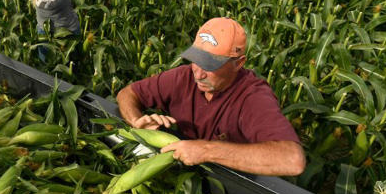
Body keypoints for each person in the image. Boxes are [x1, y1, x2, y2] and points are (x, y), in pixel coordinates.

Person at [117, 17, 306, 177]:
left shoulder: (252, 97)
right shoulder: (183, 77)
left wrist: (206, 151)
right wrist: (137, 122)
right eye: (196, 61)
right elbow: (128, 94)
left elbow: (292, 160)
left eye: (209, 65)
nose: (198, 74)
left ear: (238, 63)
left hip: (229, 183)